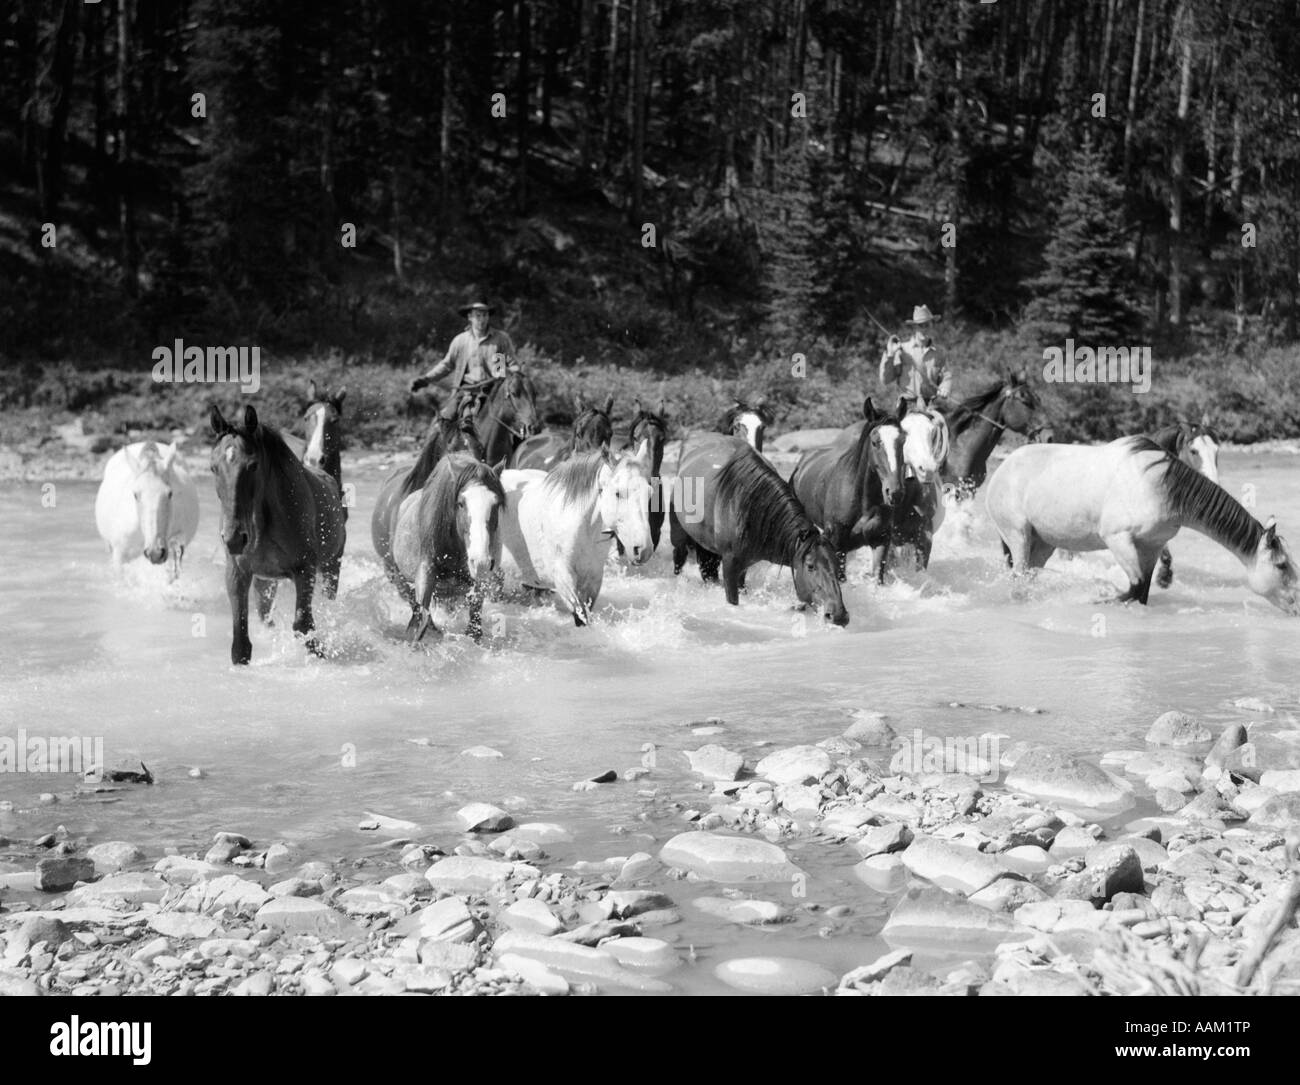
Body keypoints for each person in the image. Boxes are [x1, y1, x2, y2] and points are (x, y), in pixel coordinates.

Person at [410, 300, 517, 420]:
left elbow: (514, 365)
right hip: (466, 392)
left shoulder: (501, 339)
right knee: (443, 421)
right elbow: (446, 365)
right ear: (470, 317)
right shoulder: (460, 341)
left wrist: (506, 372)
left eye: (485, 315)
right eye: (478, 315)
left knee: (516, 424)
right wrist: (426, 379)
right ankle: (431, 438)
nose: (482, 319)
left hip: (494, 393)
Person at [879, 304, 952, 411]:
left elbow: (946, 375)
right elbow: (885, 379)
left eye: (926, 325)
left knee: (948, 426)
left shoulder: (939, 353)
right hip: (907, 406)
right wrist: (890, 354)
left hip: (932, 406)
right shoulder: (902, 350)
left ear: (931, 326)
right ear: (914, 327)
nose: (923, 329)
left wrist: (945, 387)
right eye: (920, 326)